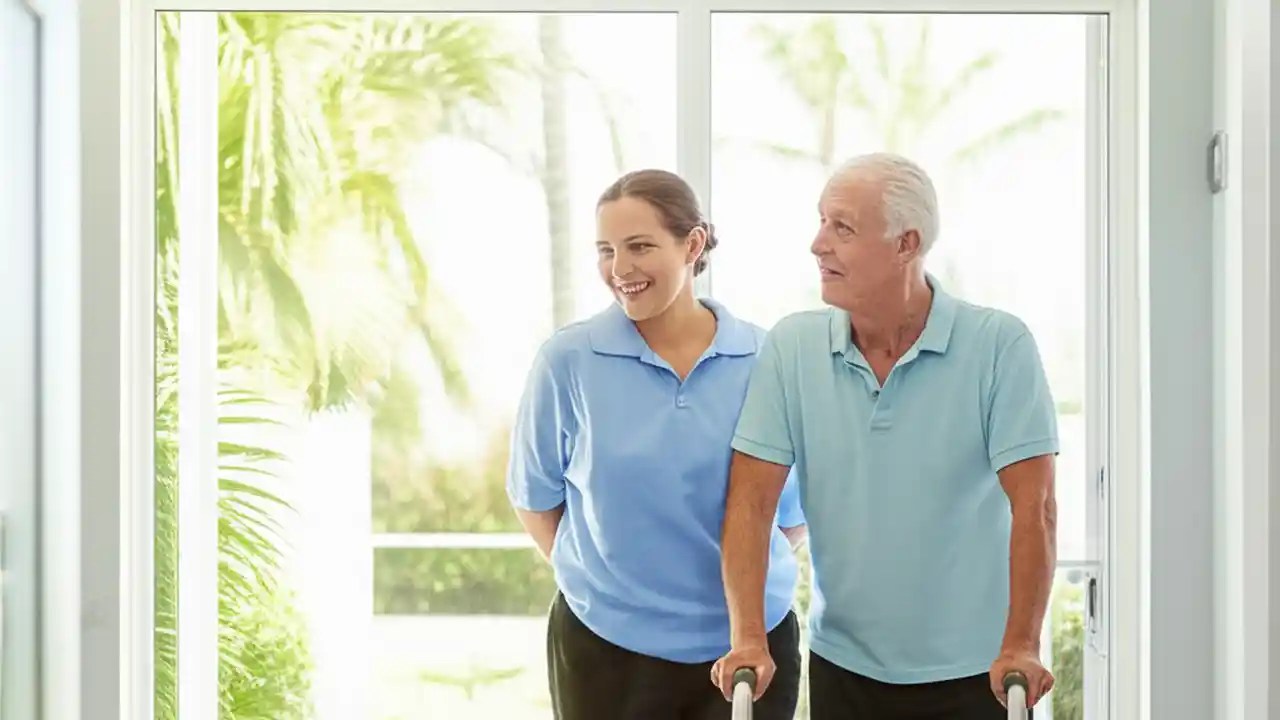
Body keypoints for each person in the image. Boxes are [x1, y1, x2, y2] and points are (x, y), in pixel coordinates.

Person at [712, 153, 1059, 719]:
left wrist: (1022, 641)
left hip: (977, 670)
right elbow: (751, 503)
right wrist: (748, 634)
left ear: (906, 244)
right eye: (821, 221)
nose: (817, 243)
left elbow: (1036, 506)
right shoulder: (792, 347)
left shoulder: (999, 345)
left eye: (842, 227)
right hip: (844, 666)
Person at [507, 168, 807, 720]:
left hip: (749, 650)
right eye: (606, 250)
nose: (620, 270)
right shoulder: (568, 362)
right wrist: (611, 585)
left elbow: (787, 516)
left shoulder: (768, 362)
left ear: (692, 245)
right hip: (605, 650)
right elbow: (535, 498)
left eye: (640, 246)